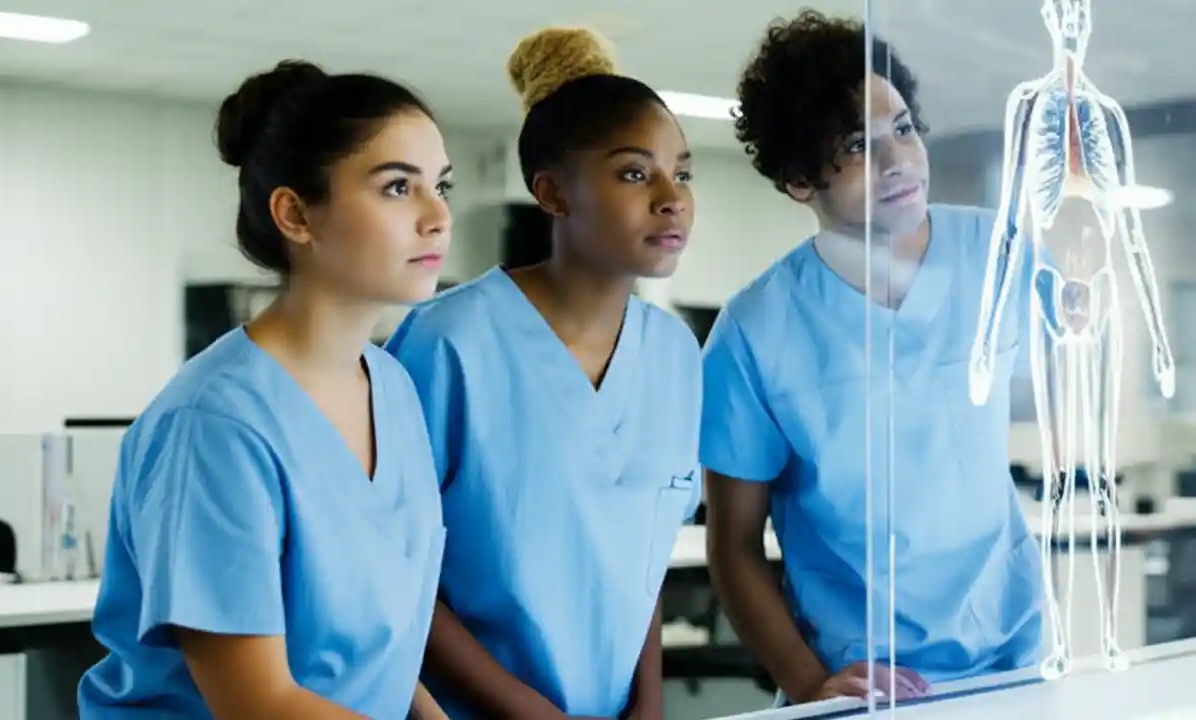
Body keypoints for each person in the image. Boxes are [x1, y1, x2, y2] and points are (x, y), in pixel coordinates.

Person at [78, 60, 454, 720]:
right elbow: (259, 703)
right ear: (296, 214)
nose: (438, 217)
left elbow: (383, 654)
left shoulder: (392, 385)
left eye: (440, 185)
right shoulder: (216, 423)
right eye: (398, 187)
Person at [701, 11, 1042, 706]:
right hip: (861, 683)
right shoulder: (755, 329)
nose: (900, 162)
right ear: (801, 181)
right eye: (859, 145)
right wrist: (808, 683)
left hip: (1017, 656)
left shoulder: (998, 256)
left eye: (904, 129)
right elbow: (733, 547)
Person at [384, 27, 702, 720]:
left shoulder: (675, 355)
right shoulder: (449, 343)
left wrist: (648, 706)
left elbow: (634, 565)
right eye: (633, 172)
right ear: (553, 194)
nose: (671, 197)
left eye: (682, 171)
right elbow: (391, 570)